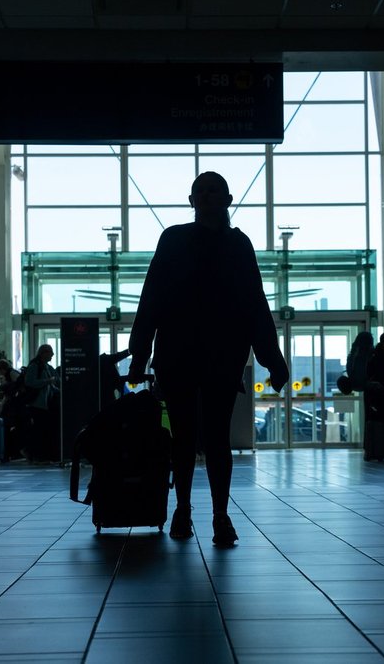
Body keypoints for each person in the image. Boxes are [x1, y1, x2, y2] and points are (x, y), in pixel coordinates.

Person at [129, 171, 288, 547]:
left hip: (187, 355)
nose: (207, 196)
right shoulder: (233, 245)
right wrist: (270, 358)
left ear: (226, 199)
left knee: (197, 438)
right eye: (203, 191)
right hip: (215, 356)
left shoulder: (177, 241)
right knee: (202, 438)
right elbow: (253, 304)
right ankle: (208, 514)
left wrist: (272, 358)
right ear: (194, 199)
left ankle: (195, 512)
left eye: (212, 191)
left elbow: (153, 298)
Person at [24, 344, 61, 462]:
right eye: (50, 352)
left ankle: (40, 455)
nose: (52, 355)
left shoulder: (46, 367)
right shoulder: (35, 366)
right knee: (39, 430)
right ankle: (36, 455)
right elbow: (30, 382)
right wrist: (47, 381)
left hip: (44, 404)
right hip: (36, 404)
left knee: (43, 430)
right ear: (43, 353)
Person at [363, 332, 384, 462]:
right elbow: (383, 376)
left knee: (374, 423)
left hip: (373, 396)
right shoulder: (380, 358)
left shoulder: (375, 356)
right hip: (379, 396)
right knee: (381, 423)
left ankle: (374, 452)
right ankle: (379, 452)